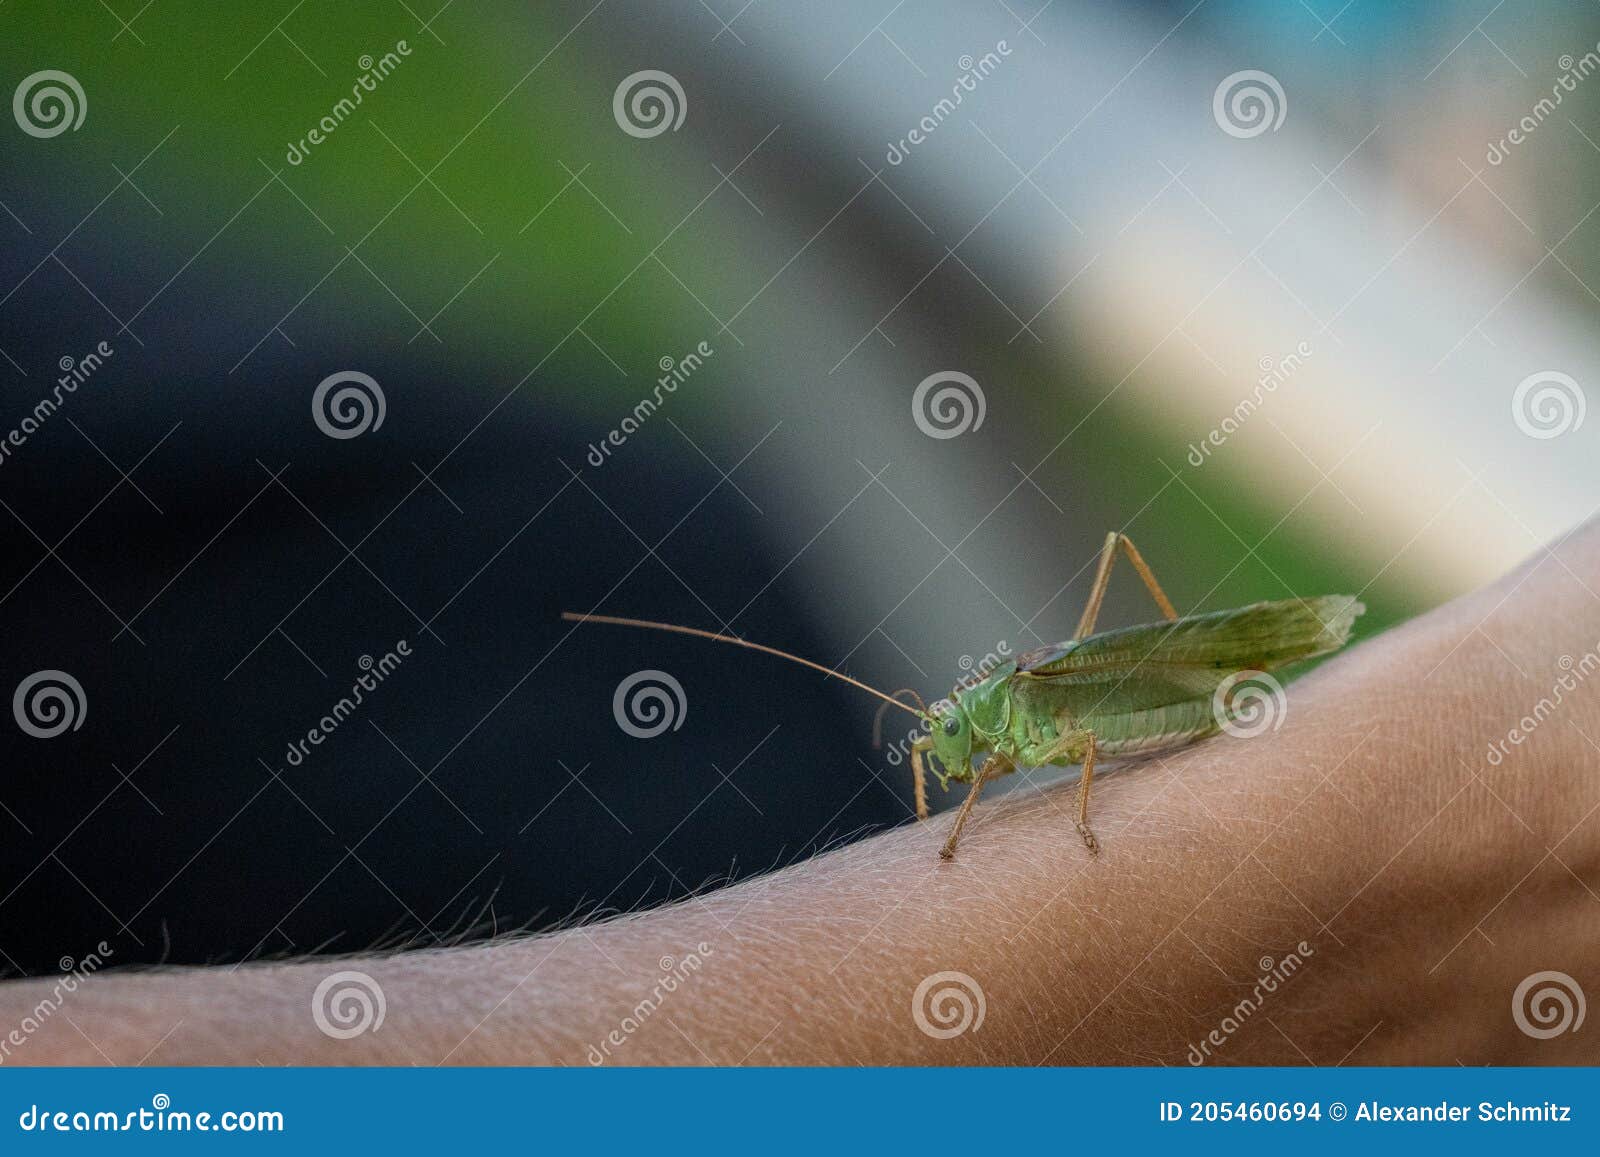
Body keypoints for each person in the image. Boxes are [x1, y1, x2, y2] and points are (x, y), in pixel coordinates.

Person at [5, 519, 1597, 1066]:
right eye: (947, 748)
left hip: (1135, 689)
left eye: (954, 745)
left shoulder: (1031, 729)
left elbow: (1053, 759)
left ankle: (1312, 687)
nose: (943, 753)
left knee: (702, 533)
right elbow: (939, 759)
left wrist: (1077, 813)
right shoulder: (957, 739)